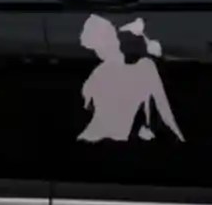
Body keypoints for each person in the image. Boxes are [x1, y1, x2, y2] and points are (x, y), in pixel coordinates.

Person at [77, 14, 184, 143]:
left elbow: (88, 104)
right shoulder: (145, 68)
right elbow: (164, 110)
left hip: (95, 138)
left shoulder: (97, 75)